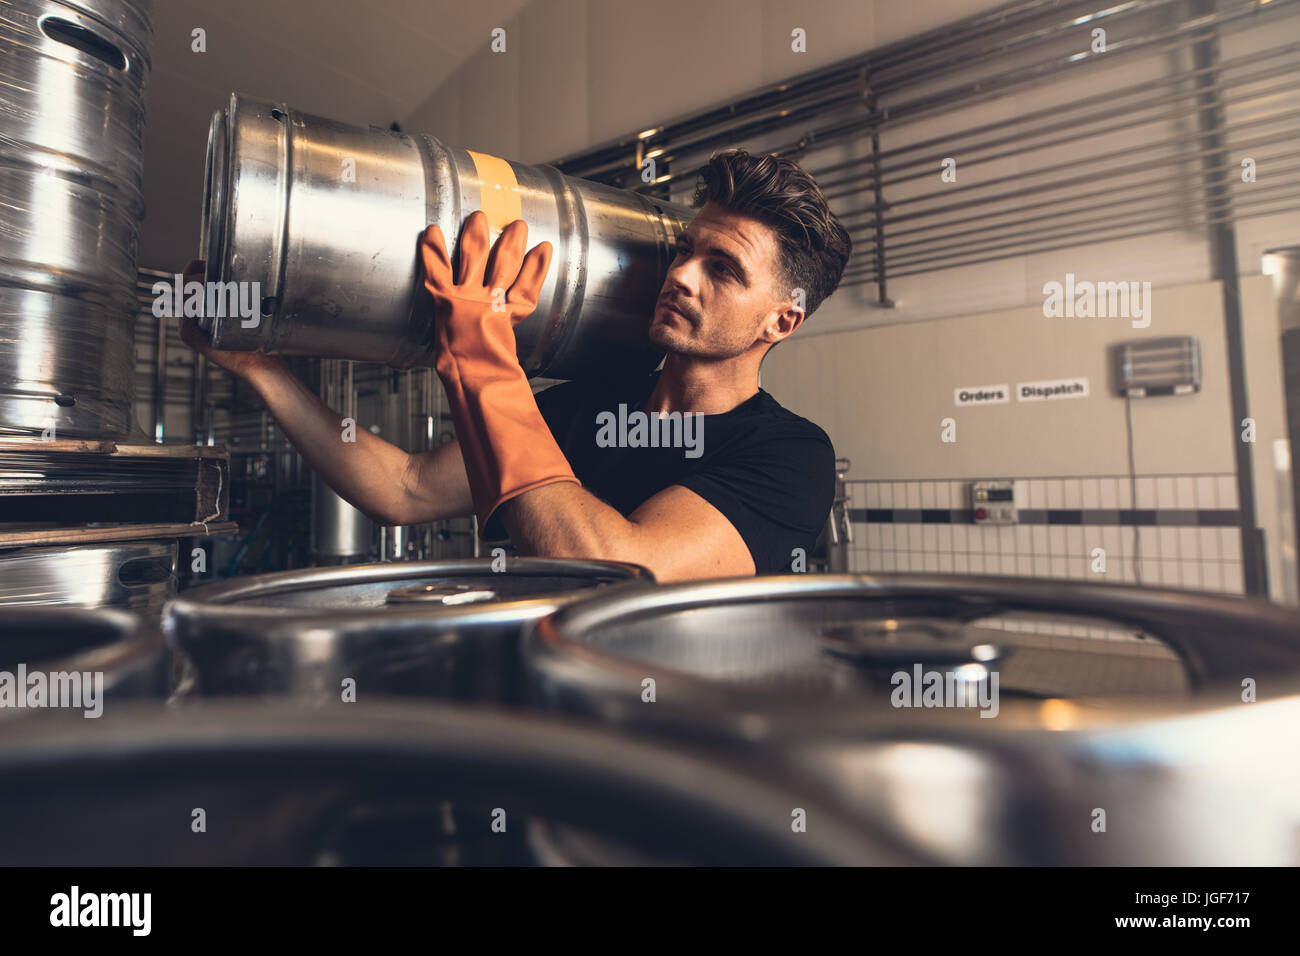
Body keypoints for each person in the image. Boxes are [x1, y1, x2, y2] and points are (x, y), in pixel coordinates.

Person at [181, 148, 851, 581]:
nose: (682, 276)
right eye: (687, 252)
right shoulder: (596, 401)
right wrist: (262, 369)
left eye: (722, 269)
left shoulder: (789, 456)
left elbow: (618, 567)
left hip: (661, 757)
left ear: (781, 319)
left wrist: (482, 355)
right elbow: (405, 488)